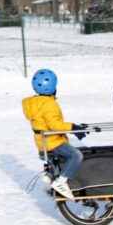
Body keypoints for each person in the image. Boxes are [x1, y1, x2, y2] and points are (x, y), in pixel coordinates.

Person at [21, 68, 86, 199]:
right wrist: (73, 127)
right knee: (76, 156)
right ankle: (61, 182)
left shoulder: (34, 104)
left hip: (42, 143)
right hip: (53, 142)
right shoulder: (49, 104)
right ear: (52, 88)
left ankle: (50, 175)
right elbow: (55, 125)